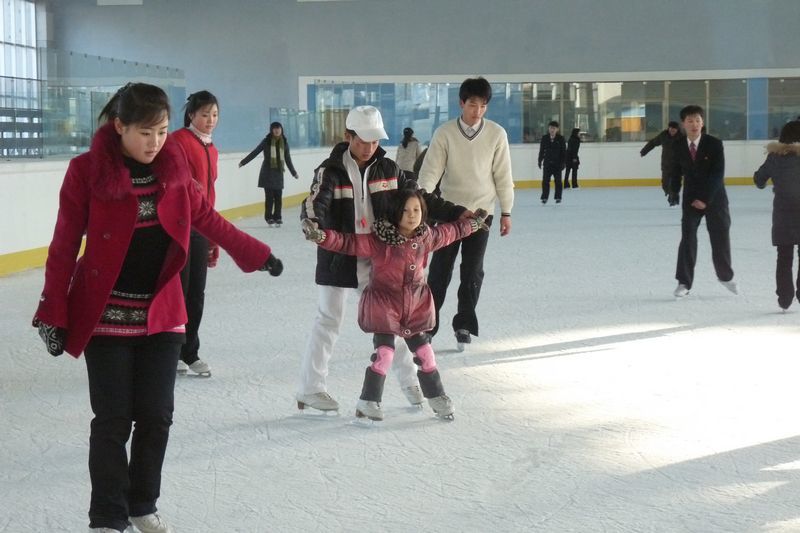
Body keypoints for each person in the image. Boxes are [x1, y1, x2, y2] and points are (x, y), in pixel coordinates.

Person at [30, 83, 283, 533]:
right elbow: (65, 244)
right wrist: (53, 310)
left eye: (163, 131)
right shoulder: (86, 171)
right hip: (106, 315)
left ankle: (142, 504)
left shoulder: (173, 169)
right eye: (145, 132)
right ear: (120, 127)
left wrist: (256, 253)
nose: (155, 142)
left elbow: (206, 217)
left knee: (157, 416)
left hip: (163, 314)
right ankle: (108, 514)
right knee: (112, 420)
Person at [297, 105, 468, 413]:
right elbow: (315, 201)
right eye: (363, 141)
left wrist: (457, 214)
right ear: (348, 136)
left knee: (396, 320)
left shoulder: (389, 170)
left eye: (375, 141)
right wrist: (313, 224)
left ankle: (410, 381)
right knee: (328, 320)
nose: (369, 147)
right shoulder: (330, 170)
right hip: (340, 253)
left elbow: (420, 199)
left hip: (380, 255)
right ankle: (311, 388)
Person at [303, 189, 488, 421]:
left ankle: (437, 396)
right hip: (384, 306)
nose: (412, 215)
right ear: (394, 213)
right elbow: (347, 242)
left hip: (414, 308)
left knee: (425, 354)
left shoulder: (427, 236)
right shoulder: (378, 240)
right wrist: (322, 237)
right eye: (405, 210)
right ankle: (368, 401)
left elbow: (452, 231)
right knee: (384, 354)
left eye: (416, 210)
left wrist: (473, 224)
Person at [417, 76, 514, 351]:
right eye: (473, 104)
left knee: (472, 273)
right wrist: (421, 203)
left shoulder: (497, 134)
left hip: (482, 215)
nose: (478, 111)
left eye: (483, 105)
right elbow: (430, 172)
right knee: (439, 272)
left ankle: (464, 324)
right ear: (461, 103)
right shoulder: (445, 133)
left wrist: (506, 211)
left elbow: (503, 176)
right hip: (449, 212)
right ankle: (427, 326)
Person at [171, 90, 219, 377]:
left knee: (196, 294)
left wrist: (214, 237)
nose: (210, 120)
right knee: (178, 290)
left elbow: (211, 194)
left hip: (201, 228)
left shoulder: (211, 148)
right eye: (204, 114)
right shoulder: (178, 141)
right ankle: (172, 350)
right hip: (179, 227)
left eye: (214, 115)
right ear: (191, 115)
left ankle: (190, 351)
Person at [668, 104, 737, 298]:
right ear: (683, 124)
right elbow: (675, 171)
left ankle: (725, 276)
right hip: (691, 199)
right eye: (690, 121)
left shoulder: (714, 144)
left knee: (720, 236)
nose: (695, 124)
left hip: (714, 197)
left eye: (698, 120)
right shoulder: (678, 145)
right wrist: (673, 190)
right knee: (688, 238)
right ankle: (684, 282)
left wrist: (705, 199)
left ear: (703, 122)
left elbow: (717, 174)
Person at [753, 120, 800, 310]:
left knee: (784, 256)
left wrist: (762, 181)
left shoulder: (774, 157)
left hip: (783, 214)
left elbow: (759, 179)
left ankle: (784, 297)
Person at [239, 121, 299, 227]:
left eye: (278, 128)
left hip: (279, 174)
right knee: (269, 198)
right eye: (274, 129)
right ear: (271, 130)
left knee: (278, 197)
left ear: (281, 130)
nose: (277, 130)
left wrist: (293, 172)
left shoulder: (284, 142)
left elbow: (287, 159)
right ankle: (269, 217)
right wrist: (244, 162)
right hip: (267, 173)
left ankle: (278, 217)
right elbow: (255, 151)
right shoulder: (266, 141)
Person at [640, 120, 682, 205]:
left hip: (678, 165)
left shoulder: (683, 137)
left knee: (675, 183)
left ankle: (674, 198)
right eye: (670, 129)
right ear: (668, 128)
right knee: (665, 184)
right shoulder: (664, 135)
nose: (672, 131)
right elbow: (653, 143)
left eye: (674, 129)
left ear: (677, 130)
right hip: (666, 164)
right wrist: (644, 151)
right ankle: (669, 193)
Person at [538, 120, 566, 204]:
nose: (552, 130)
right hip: (547, 163)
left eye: (554, 128)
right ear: (548, 128)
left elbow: (564, 152)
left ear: (557, 129)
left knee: (558, 181)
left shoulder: (561, 139)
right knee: (545, 181)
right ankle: (544, 197)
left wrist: (563, 163)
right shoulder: (545, 138)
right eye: (550, 128)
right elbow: (541, 150)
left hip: (557, 164)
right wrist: (540, 160)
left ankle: (558, 197)